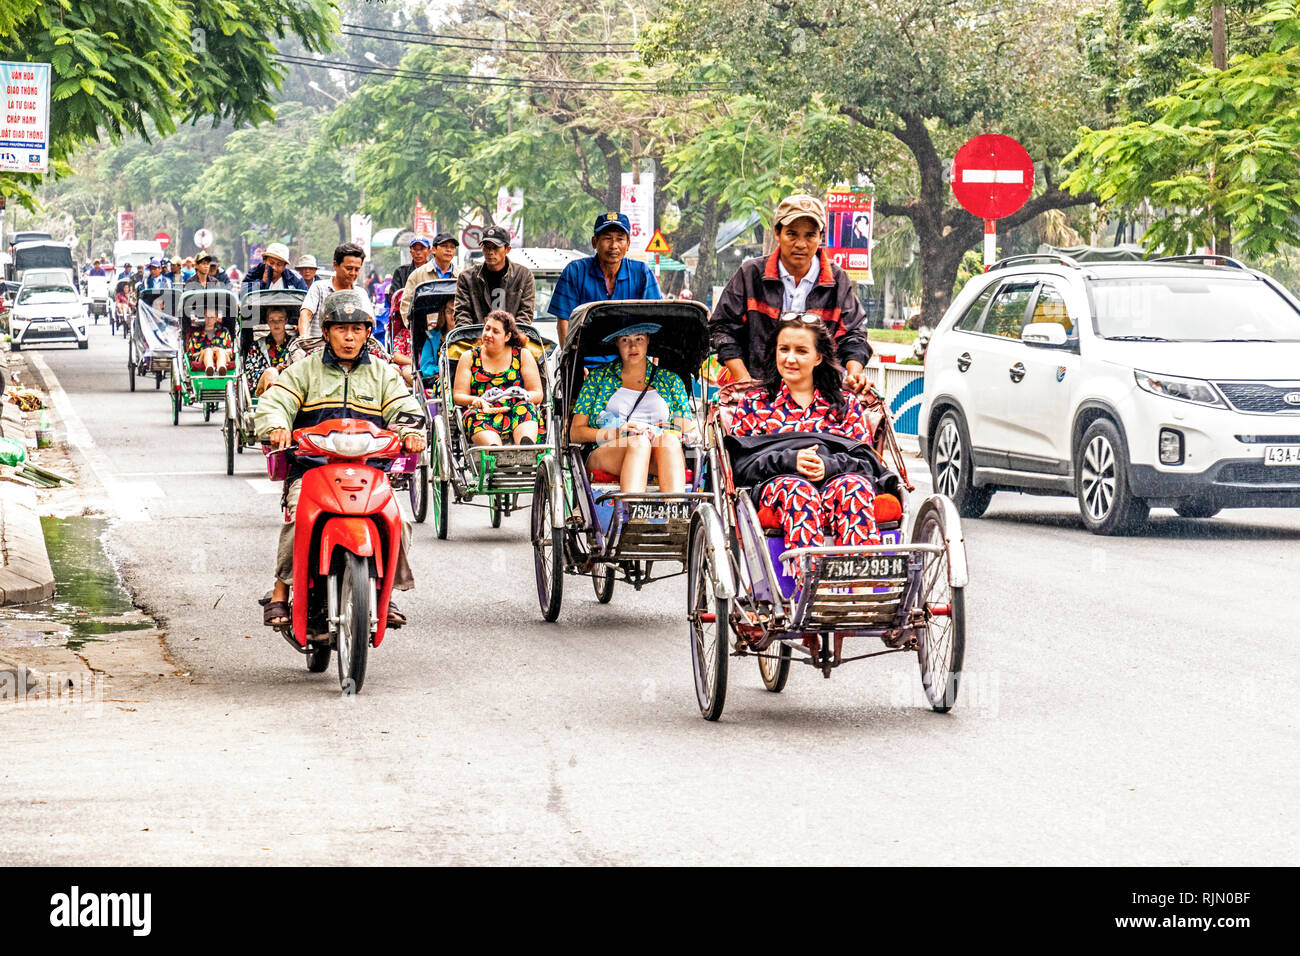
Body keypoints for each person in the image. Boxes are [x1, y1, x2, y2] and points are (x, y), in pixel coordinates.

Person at [256, 290, 426, 630]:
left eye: (357, 330)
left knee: (400, 521)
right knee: (295, 520)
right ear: (326, 331)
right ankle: (281, 589)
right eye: (341, 329)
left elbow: (406, 409)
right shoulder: (303, 371)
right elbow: (276, 403)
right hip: (312, 472)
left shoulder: (383, 374)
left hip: (370, 473)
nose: (349, 337)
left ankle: (385, 590)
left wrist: (410, 431)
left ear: (367, 332)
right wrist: (277, 427)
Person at [727, 314, 898, 583]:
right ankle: (810, 588)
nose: (790, 359)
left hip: (837, 484)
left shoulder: (845, 405)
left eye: (801, 351)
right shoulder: (755, 404)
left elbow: (867, 463)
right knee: (799, 491)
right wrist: (790, 460)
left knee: (854, 487)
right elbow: (740, 465)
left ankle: (855, 587)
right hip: (780, 488)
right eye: (784, 350)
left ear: (818, 357)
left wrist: (829, 466)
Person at [710, 193, 871, 392]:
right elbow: (722, 329)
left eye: (810, 235)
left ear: (820, 237)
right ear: (778, 233)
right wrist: (745, 382)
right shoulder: (750, 274)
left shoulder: (837, 280)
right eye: (792, 234)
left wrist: (855, 373)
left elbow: (854, 334)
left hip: (820, 396)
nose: (801, 244)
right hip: (759, 390)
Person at [569, 322, 690, 494]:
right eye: (625, 340)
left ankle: (676, 514)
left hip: (658, 451)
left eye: (639, 338)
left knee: (669, 441)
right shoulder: (598, 378)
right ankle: (630, 515)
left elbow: (684, 429)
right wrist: (616, 433)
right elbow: (575, 432)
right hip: (608, 450)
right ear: (617, 342)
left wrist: (661, 431)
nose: (633, 346)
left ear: (648, 340)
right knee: (639, 443)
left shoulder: (670, 380)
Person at [548, 212, 662, 344]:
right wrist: (571, 361)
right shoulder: (575, 271)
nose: (614, 245)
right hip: (587, 360)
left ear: (628, 244)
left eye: (620, 239)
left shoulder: (642, 272)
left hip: (632, 359)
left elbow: (656, 319)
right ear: (594, 242)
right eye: (607, 238)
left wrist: (653, 358)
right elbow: (564, 321)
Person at [452, 309, 543, 446]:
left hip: (516, 408)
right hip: (482, 411)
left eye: (495, 331)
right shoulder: (469, 357)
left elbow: (537, 393)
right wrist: (476, 400)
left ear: (507, 336)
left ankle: (526, 447)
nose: (488, 334)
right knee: (475, 417)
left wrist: (516, 396)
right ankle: (493, 451)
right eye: (487, 329)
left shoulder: (522, 355)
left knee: (527, 408)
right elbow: (458, 395)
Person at [453, 226, 534, 328]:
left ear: (507, 249)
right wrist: (472, 338)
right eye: (486, 246)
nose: (490, 252)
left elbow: (525, 314)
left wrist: (509, 338)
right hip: (475, 339)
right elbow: (462, 313)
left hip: (511, 339)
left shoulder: (523, 275)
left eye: (495, 247)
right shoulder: (466, 278)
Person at [300, 242, 369, 338]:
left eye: (357, 269)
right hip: (319, 347)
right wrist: (304, 336)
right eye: (349, 268)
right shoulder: (319, 288)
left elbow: (368, 323)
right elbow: (305, 314)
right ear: (335, 265)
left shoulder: (361, 294)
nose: (353, 273)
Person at [399, 232, 457, 324]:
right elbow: (406, 305)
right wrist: (417, 326)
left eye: (452, 247)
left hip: (454, 332)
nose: (449, 250)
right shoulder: (417, 275)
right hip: (426, 333)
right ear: (434, 250)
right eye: (444, 246)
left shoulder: (461, 276)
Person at [242, 306, 294, 395]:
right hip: (263, 389)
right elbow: (250, 373)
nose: (276, 323)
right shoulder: (257, 345)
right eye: (272, 320)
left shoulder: (295, 344)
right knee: (271, 372)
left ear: (286, 321)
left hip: (290, 387)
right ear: (267, 322)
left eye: (280, 320)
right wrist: (275, 370)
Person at [186, 306, 234, 376]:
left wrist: (217, 349)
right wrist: (203, 351)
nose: (209, 319)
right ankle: (209, 368)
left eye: (211, 317)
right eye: (207, 316)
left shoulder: (224, 332)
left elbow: (230, 351)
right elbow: (191, 355)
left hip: (223, 355)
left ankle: (221, 368)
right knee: (208, 351)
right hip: (202, 357)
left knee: (220, 351)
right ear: (204, 317)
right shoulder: (196, 334)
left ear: (216, 318)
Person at [389, 237, 431, 313]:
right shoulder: (400, 272)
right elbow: (394, 297)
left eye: (421, 249)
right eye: (415, 249)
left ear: (429, 251)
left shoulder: (434, 271)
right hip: (406, 314)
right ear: (411, 251)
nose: (418, 253)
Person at [242, 242, 307, 292]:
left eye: (279, 264)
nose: (274, 268)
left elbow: (304, 299)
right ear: (264, 261)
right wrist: (263, 282)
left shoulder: (294, 278)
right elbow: (243, 294)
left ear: (284, 266)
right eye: (271, 263)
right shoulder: (255, 273)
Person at [418, 298, 455, 383]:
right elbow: (426, 367)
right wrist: (442, 371)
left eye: (457, 311)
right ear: (443, 314)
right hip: (441, 380)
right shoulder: (432, 337)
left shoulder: (470, 336)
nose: (453, 316)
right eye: (449, 312)